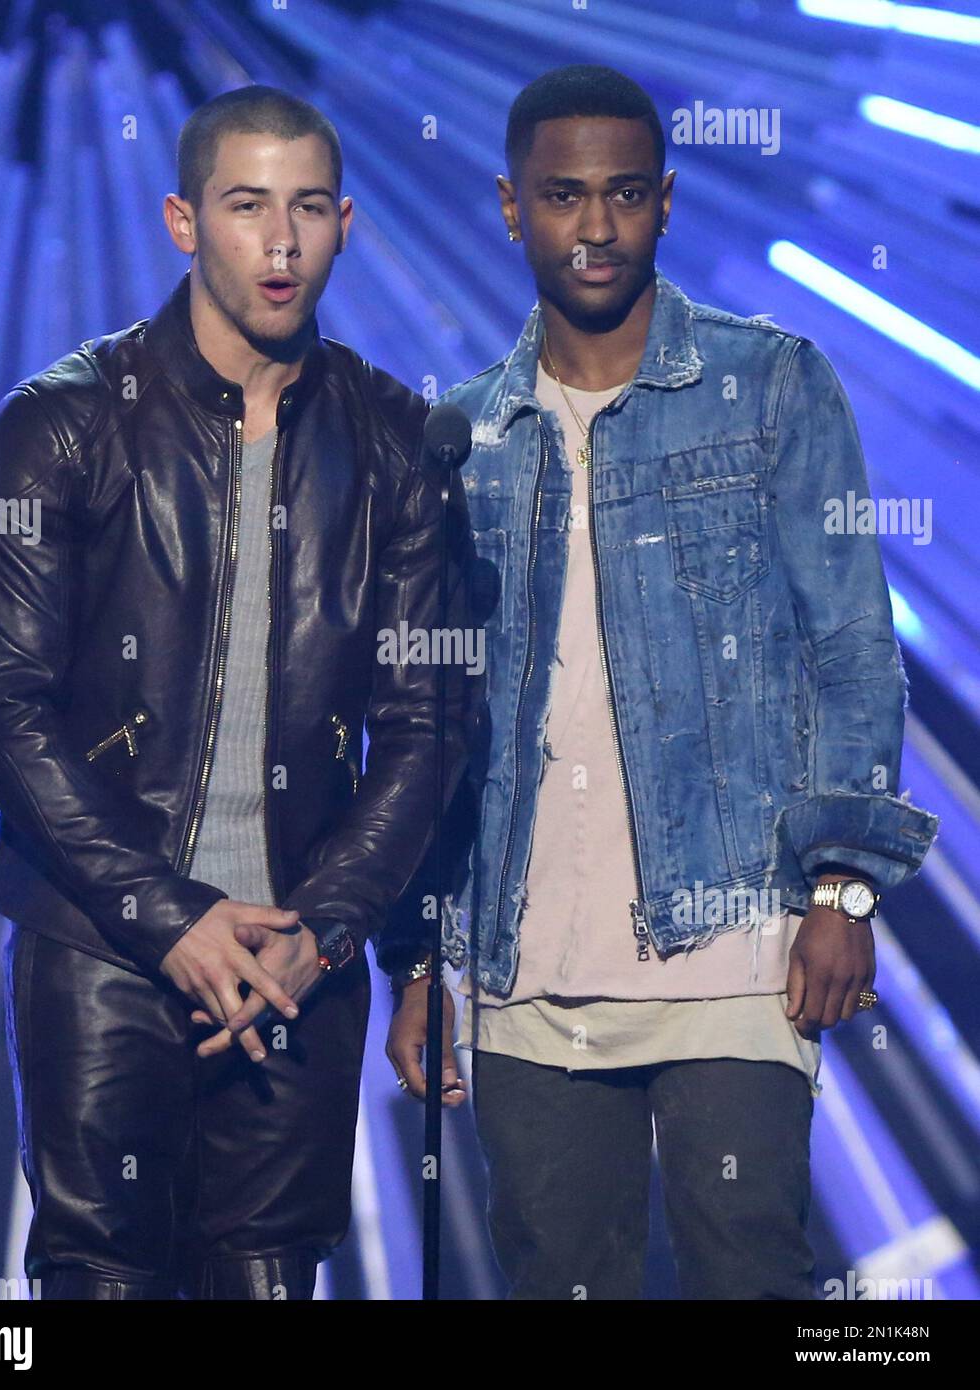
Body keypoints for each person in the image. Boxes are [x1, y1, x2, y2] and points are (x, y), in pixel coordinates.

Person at [387, 64, 939, 1300]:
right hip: (524, 965)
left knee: (750, 1276)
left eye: (625, 194)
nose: (596, 228)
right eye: (564, 195)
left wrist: (843, 888)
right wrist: (419, 954)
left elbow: (853, 647)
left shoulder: (772, 385)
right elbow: (437, 726)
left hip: (737, 947)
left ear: (667, 202)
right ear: (510, 205)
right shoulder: (464, 435)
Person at [0, 84, 478, 1301]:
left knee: (271, 1275)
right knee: (98, 1276)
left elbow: (427, 724)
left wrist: (324, 931)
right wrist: (171, 918)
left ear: (346, 223)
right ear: (185, 221)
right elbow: (1, 707)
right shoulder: (60, 427)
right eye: (246, 207)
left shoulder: (399, 445)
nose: (280, 244)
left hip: (301, 950)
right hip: (101, 947)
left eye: (305, 210)